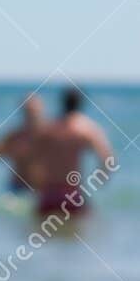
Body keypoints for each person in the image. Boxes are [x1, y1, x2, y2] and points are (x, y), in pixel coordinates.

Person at [24, 86, 115, 217]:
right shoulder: (86, 128)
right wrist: (102, 177)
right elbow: (107, 157)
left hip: (48, 193)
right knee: (81, 230)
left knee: (42, 232)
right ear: (81, 103)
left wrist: (34, 182)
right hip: (71, 194)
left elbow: (32, 157)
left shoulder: (49, 128)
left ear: (62, 102)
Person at [0, 93, 46, 194]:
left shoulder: (49, 134)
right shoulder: (15, 136)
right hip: (17, 186)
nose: (31, 117)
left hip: (41, 187)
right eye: (28, 113)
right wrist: (14, 152)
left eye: (34, 113)